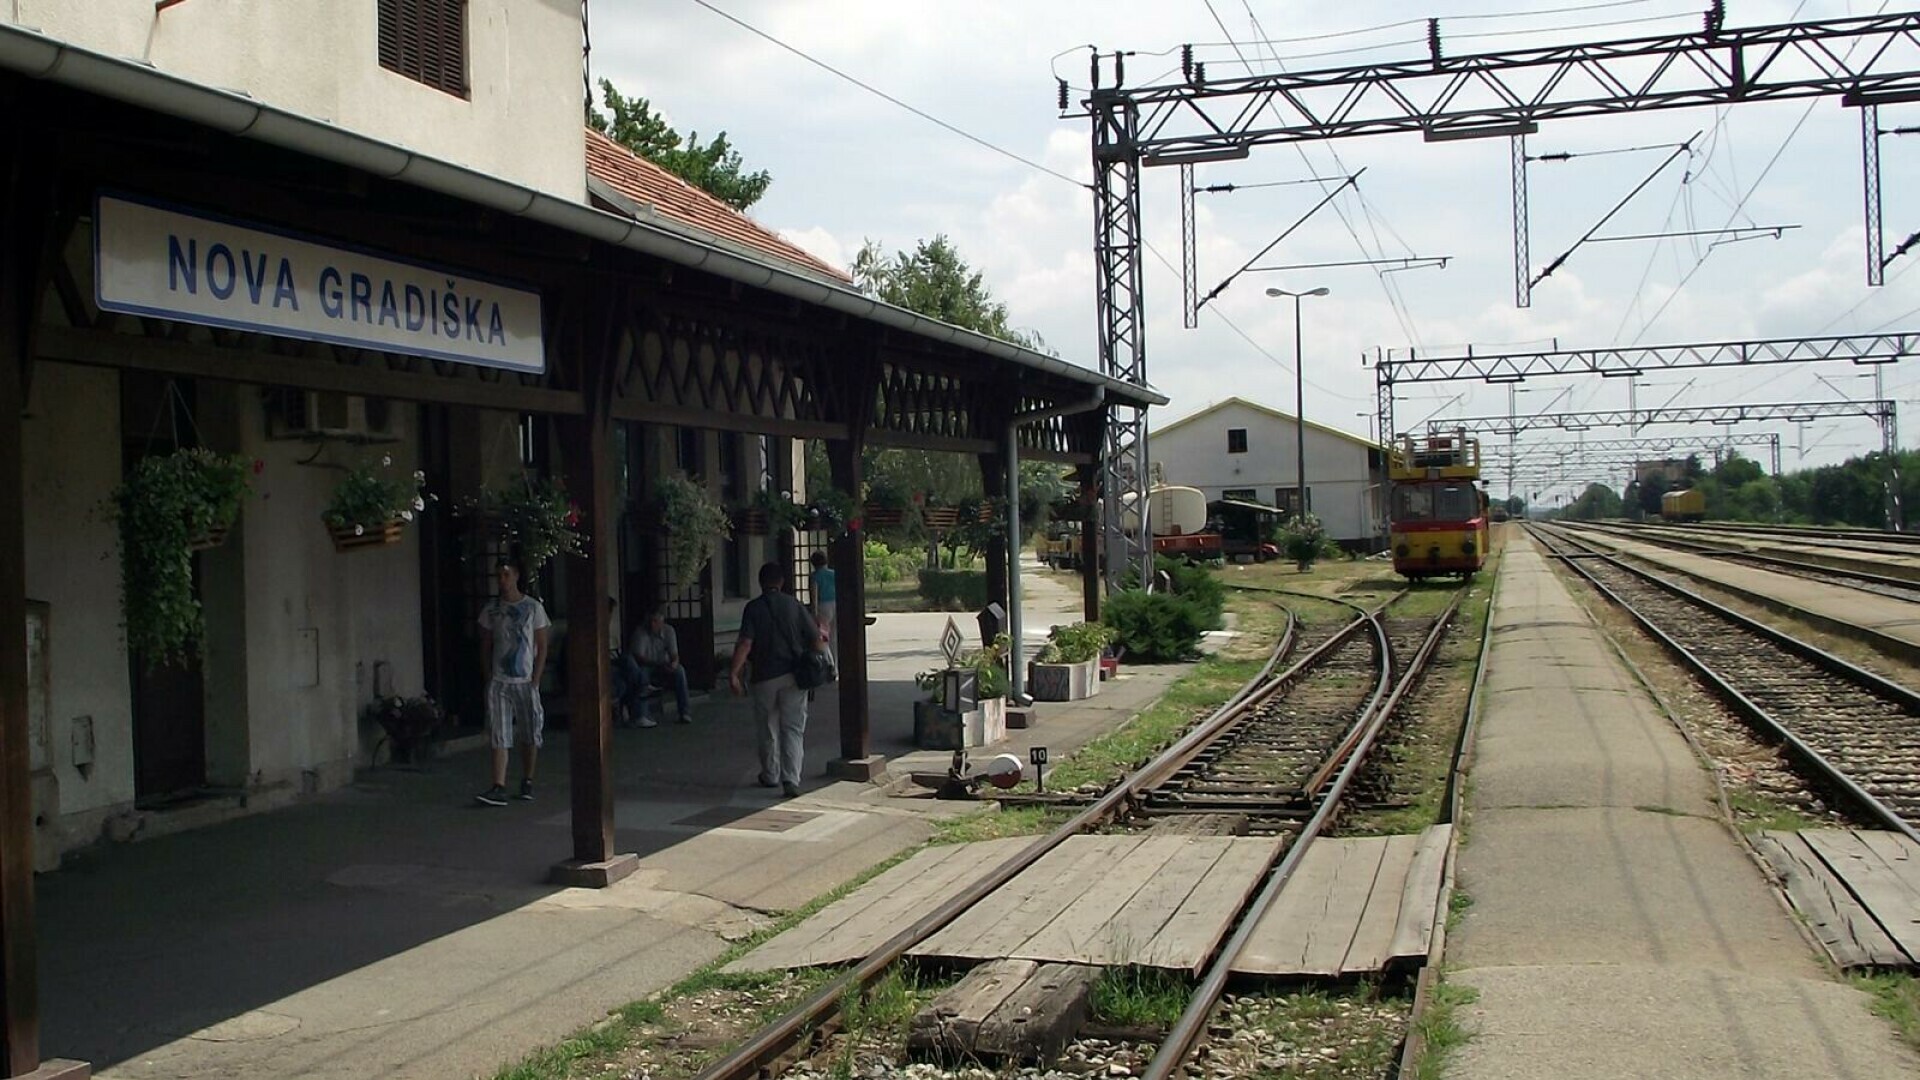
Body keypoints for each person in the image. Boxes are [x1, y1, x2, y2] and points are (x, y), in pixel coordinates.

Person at [730, 560, 830, 798]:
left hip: (763, 676)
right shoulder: (794, 605)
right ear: (782, 582)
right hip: (794, 675)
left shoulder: (753, 608)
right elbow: (817, 640)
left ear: (760, 582)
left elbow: (746, 643)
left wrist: (734, 672)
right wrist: (817, 660)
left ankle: (770, 774)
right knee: (793, 728)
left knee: (767, 728)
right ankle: (791, 778)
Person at [475, 559, 549, 807]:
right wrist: (488, 676)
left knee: (529, 731)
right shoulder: (492, 609)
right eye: (499, 576)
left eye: (506, 575)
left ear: (516, 575)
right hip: (500, 679)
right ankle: (499, 784)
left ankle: (527, 778)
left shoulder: (533, 608)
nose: (502, 581)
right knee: (500, 732)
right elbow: (485, 644)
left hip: (525, 679)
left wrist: (536, 679)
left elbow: (542, 645)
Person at [622, 606, 692, 726]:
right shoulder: (641, 632)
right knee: (642, 673)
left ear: (661, 622)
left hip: (664, 664)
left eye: (656, 621)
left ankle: (684, 712)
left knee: (680, 671)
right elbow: (639, 657)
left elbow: (674, 653)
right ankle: (643, 714)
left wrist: (674, 663)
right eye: (651, 621)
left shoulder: (669, 631)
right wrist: (658, 664)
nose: (653, 624)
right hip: (647, 665)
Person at [809, 550, 837, 664]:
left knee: (824, 637)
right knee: (834, 637)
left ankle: (828, 663)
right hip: (836, 603)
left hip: (823, 606)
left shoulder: (814, 576)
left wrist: (814, 612)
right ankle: (836, 664)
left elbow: (814, 594)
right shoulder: (834, 573)